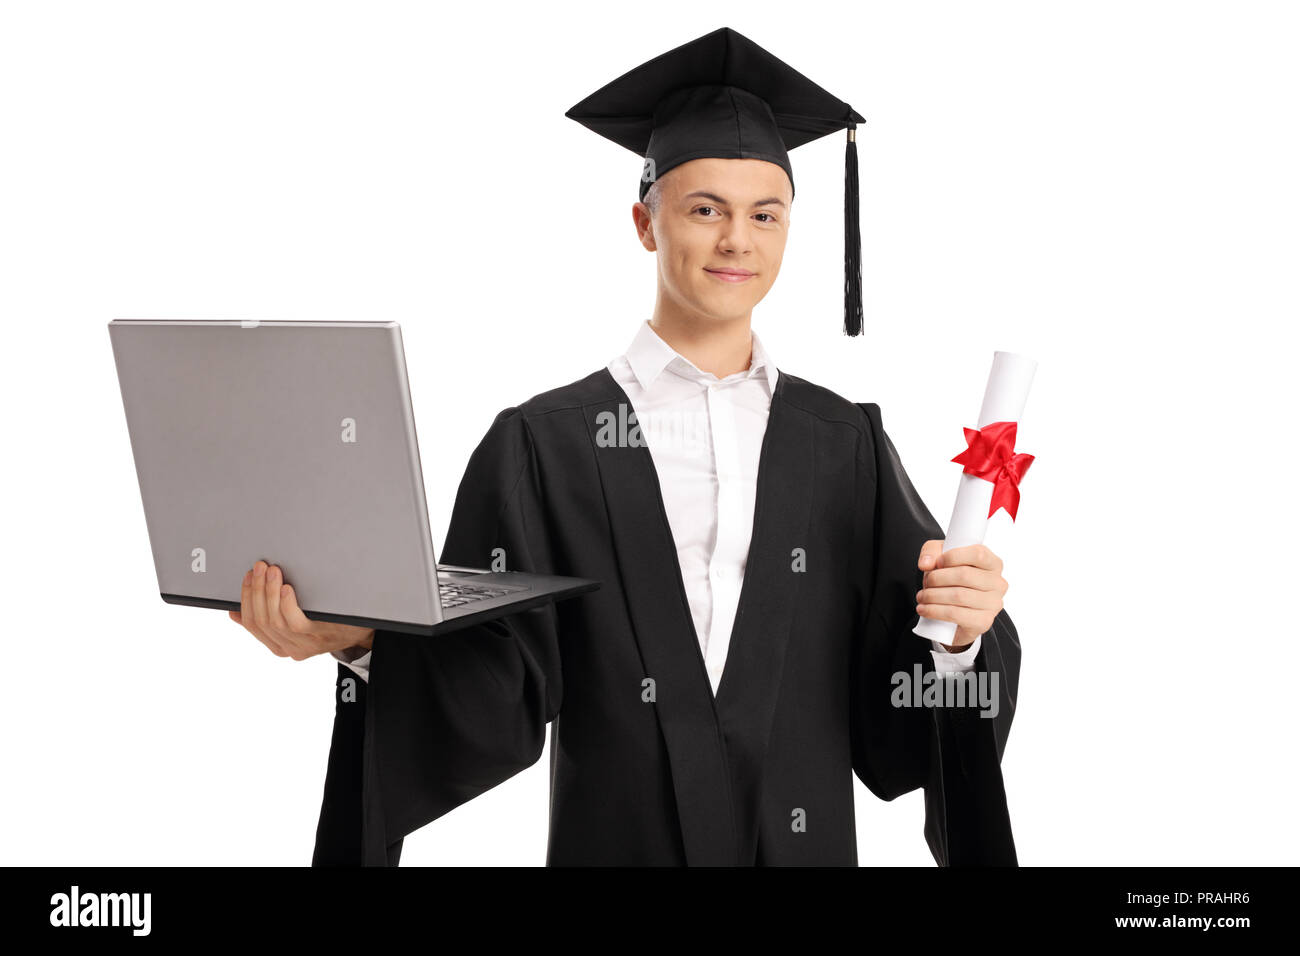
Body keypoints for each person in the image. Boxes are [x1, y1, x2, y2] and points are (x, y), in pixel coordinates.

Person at [231, 26, 1022, 866]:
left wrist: (962, 639)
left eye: (765, 214)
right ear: (645, 223)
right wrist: (361, 644)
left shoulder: (845, 443)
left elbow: (903, 703)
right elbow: (488, 690)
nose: (738, 240)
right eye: (705, 209)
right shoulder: (542, 445)